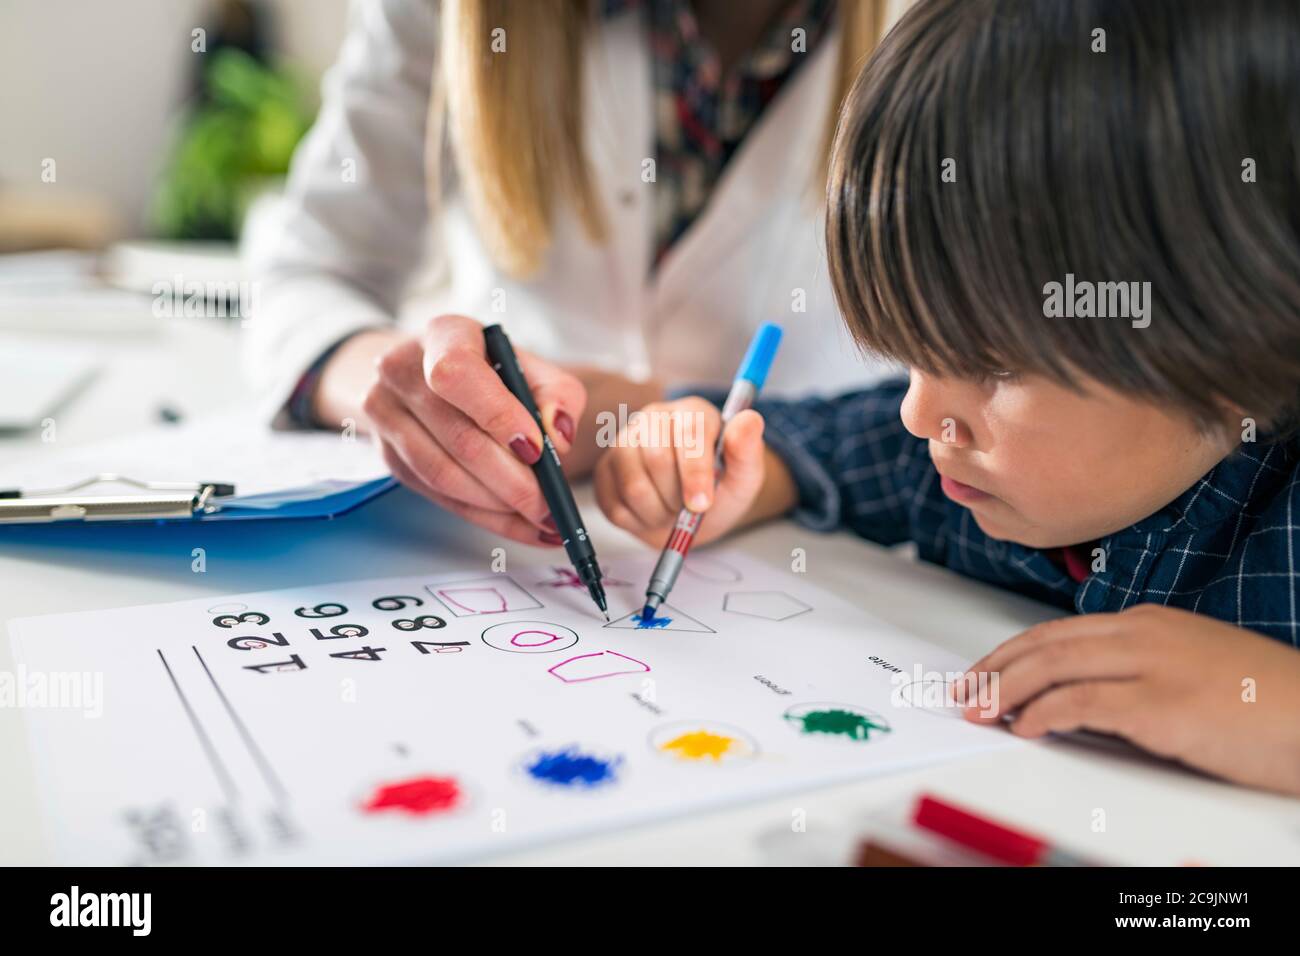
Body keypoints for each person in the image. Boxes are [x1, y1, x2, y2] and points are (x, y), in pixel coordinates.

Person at [592, 0, 1300, 794]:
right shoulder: (981, 462)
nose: (919, 415)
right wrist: (719, 460)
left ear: (1235, 333)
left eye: (993, 367)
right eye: (913, 353)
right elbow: (828, 447)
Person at [243, 0, 907, 546]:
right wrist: (403, 389)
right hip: (480, 540)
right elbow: (305, 274)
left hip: (837, 548)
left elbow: (999, 380)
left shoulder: (973, 32)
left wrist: (678, 412)